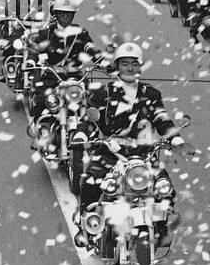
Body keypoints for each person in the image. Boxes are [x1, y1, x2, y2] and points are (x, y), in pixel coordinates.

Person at [76, 42, 184, 250]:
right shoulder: (103, 94)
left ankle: (160, 229)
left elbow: (162, 120)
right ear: (117, 67)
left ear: (140, 67)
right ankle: (87, 226)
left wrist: (177, 140)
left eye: (134, 64)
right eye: (125, 64)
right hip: (111, 153)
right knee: (90, 183)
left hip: (144, 154)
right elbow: (89, 119)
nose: (130, 68)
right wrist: (82, 134)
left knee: (165, 189)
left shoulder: (151, 94)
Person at [26, 0, 98, 120]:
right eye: (61, 13)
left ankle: (88, 132)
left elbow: (89, 47)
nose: (65, 16)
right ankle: (41, 129)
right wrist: (31, 61)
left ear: (73, 15)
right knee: (42, 101)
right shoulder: (46, 33)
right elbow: (35, 48)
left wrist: (101, 61)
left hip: (76, 77)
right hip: (52, 77)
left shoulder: (80, 33)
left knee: (92, 101)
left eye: (69, 14)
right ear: (56, 14)